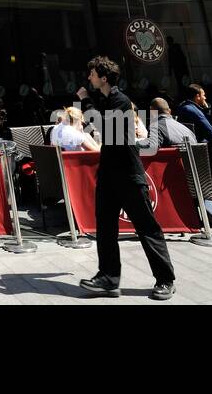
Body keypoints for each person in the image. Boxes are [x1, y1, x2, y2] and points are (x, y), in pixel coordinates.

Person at [76, 56, 175, 301]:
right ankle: (108, 278)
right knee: (106, 228)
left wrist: (85, 101)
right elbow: (96, 129)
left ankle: (165, 279)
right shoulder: (107, 100)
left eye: (92, 74)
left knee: (146, 227)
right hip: (109, 175)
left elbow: (100, 126)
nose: (89, 77)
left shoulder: (120, 100)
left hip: (129, 176)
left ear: (104, 77)